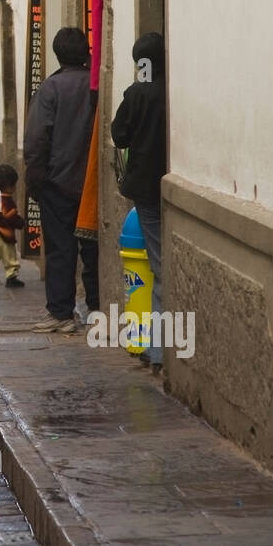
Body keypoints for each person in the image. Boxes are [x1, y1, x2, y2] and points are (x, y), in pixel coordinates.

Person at [24, 27, 98, 333]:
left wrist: (36, 176)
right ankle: (97, 309)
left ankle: (62, 312)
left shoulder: (51, 89)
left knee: (59, 248)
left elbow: (37, 138)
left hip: (57, 182)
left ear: (57, 53)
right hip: (90, 181)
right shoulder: (95, 86)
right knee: (92, 248)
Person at [111, 33, 166, 371]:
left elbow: (119, 135)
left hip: (145, 189)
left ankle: (158, 352)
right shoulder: (171, 90)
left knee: (159, 269)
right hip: (167, 184)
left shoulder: (136, 93)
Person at [0, 164, 25, 288]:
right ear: (9, 186)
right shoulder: (7, 201)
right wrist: (21, 223)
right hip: (4, 236)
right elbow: (10, 217)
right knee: (10, 258)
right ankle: (11, 277)